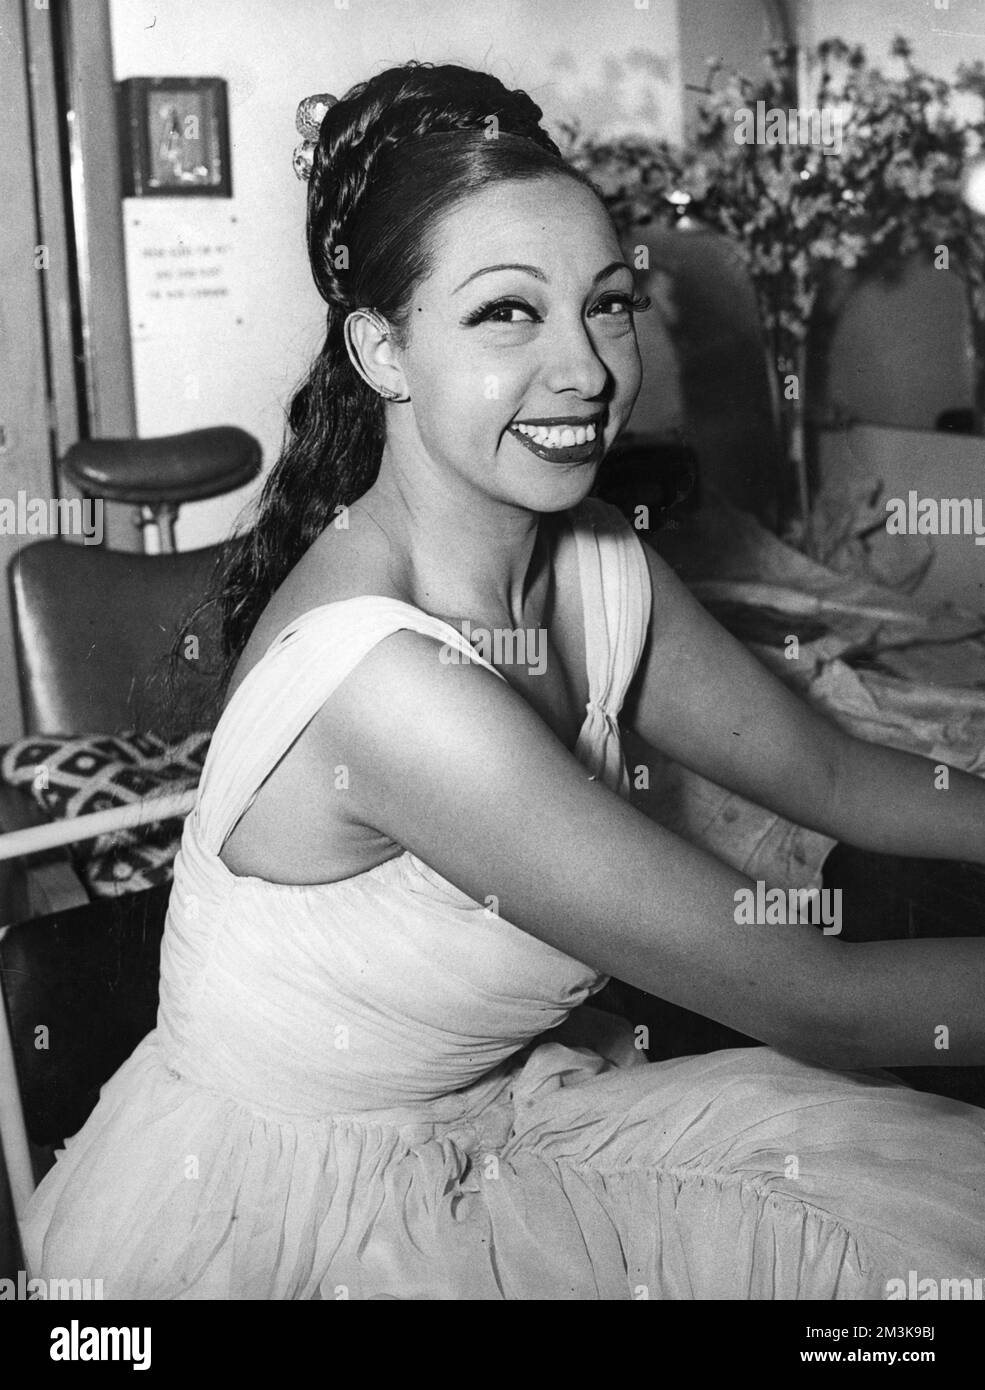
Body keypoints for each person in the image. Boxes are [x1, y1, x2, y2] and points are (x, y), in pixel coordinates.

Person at [23, 61, 985, 1300]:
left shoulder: (591, 559)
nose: (585, 371)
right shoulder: (387, 688)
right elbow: (823, 1004)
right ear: (382, 349)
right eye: (504, 314)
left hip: (499, 1121)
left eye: (608, 303)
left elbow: (836, 774)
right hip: (291, 1218)